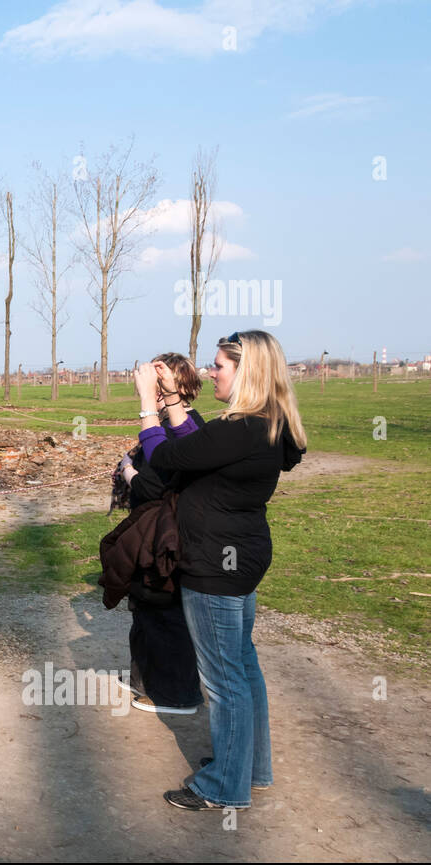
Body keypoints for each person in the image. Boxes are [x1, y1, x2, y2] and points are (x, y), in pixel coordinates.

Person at [133, 330, 306, 811]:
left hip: (214, 563)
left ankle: (224, 786)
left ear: (245, 372)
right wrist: (172, 401)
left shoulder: (240, 428)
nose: (210, 373)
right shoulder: (263, 424)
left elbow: (167, 457)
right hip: (242, 556)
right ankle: (251, 768)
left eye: (219, 367)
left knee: (223, 679)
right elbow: (198, 447)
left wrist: (149, 402)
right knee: (242, 667)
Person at [116, 353, 206, 715]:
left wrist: (127, 472)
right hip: (152, 531)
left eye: (158, 378)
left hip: (167, 538)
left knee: (165, 610)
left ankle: (176, 694)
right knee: (144, 605)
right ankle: (145, 679)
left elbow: (154, 487)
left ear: (177, 386)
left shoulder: (181, 428)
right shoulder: (168, 424)